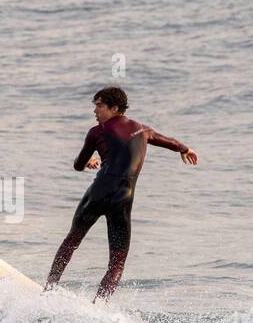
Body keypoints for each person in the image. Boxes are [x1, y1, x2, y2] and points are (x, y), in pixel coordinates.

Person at [44, 87, 197, 299]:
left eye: (99, 106)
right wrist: (185, 149)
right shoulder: (143, 130)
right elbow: (168, 140)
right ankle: (100, 305)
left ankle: (49, 290)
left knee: (71, 242)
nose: (95, 111)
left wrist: (89, 162)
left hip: (99, 194)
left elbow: (78, 165)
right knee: (117, 263)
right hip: (123, 199)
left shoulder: (96, 132)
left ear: (114, 108)